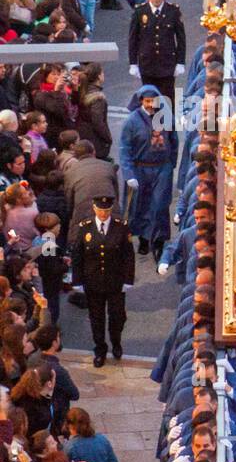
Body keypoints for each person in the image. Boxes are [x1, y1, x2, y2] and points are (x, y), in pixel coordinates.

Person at [69, 194, 134, 367]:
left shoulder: (121, 228)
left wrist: (128, 280)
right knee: (96, 318)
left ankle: (116, 342)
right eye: (100, 210)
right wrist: (77, 281)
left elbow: (128, 256)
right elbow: (78, 256)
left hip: (115, 282)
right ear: (94, 209)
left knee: (117, 317)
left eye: (106, 211)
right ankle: (100, 349)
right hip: (93, 282)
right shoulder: (85, 228)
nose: (103, 214)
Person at [119, 86, 178, 260]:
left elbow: (173, 141)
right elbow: (125, 149)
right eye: (147, 101)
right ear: (141, 102)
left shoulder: (166, 117)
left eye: (154, 101)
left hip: (162, 167)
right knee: (141, 205)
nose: (151, 104)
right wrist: (129, 174)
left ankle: (158, 240)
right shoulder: (131, 121)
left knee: (160, 204)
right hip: (140, 168)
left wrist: (171, 164)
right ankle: (144, 238)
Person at [127, 0, 186, 102]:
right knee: (149, 99)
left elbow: (181, 38)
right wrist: (133, 63)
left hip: (167, 64)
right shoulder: (140, 11)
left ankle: (168, 121)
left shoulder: (173, 11)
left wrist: (180, 62)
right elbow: (133, 39)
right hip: (147, 64)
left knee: (167, 100)